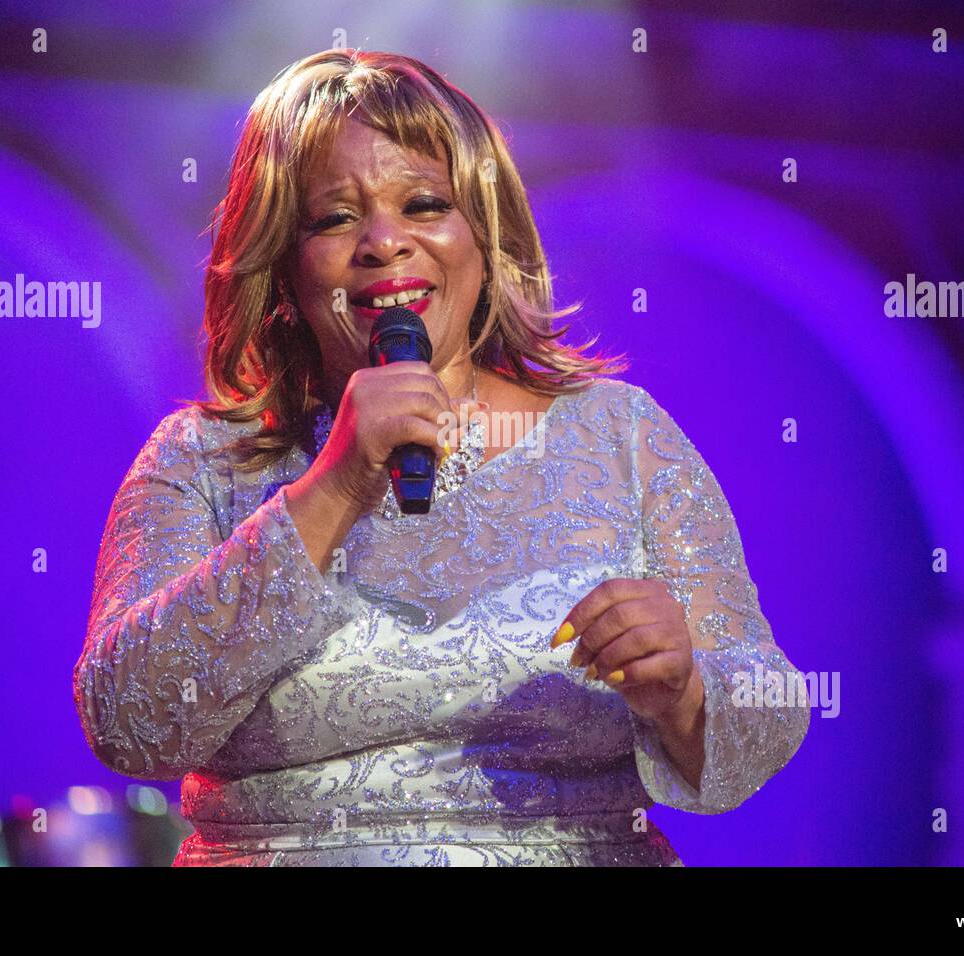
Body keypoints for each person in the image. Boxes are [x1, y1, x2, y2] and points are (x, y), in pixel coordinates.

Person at [73, 48, 810, 866]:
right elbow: (127, 720)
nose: (385, 243)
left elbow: (769, 709)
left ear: (486, 237)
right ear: (282, 264)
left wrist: (683, 691)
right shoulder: (201, 463)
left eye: (424, 204)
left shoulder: (621, 437)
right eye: (334, 218)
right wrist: (338, 482)